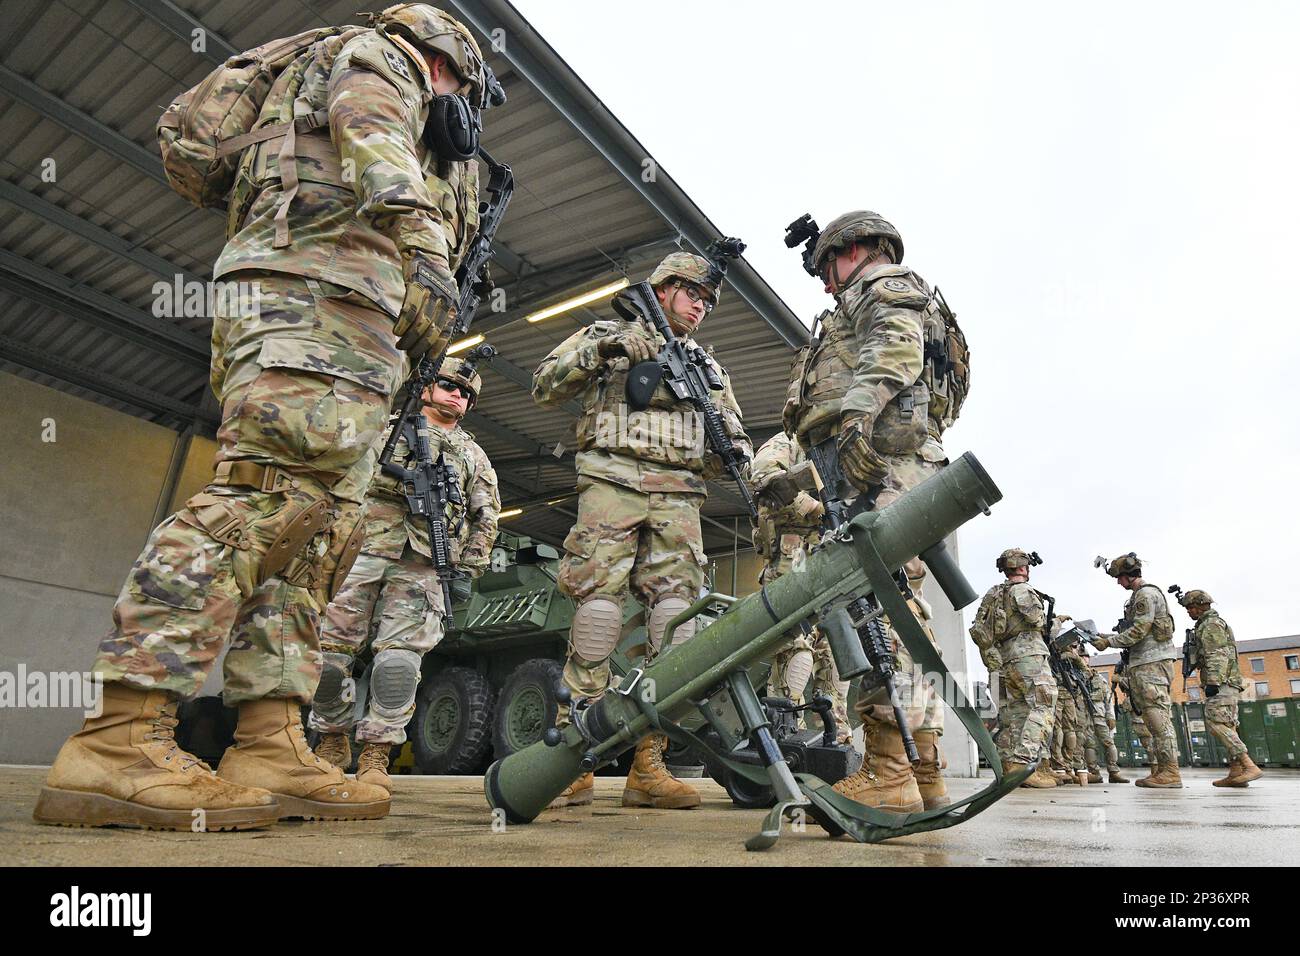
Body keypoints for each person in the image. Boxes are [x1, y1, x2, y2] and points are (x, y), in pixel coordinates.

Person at [34, 3, 488, 830]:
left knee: (320, 533)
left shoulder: (399, 84)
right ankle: (119, 738)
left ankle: (270, 738)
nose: (463, 106)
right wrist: (425, 247)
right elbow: (370, 127)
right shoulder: (379, 56)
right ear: (446, 60)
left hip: (360, 321)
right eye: (467, 85)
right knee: (264, 493)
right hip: (309, 297)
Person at [532, 252, 751, 809]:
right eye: (692, 294)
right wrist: (605, 350)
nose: (700, 306)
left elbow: (734, 445)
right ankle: (572, 760)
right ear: (664, 288)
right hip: (612, 481)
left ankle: (648, 764)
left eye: (706, 301)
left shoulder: (708, 369)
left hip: (679, 498)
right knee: (598, 614)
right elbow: (545, 385)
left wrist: (738, 457)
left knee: (676, 627)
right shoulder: (609, 332)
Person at [784, 210, 969, 811]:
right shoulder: (895, 291)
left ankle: (890, 770)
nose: (826, 283)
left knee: (871, 608)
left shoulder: (880, 286)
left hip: (873, 464)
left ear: (856, 248)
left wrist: (857, 421)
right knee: (900, 610)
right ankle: (925, 771)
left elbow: (894, 349)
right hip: (887, 465)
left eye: (826, 268)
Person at [308, 357, 499, 793]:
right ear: (427, 385)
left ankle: (377, 751)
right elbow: (339, 480)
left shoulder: (473, 455)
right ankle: (331, 740)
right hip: (361, 549)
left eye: (467, 393)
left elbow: (485, 515)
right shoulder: (384, 428)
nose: (458, 395)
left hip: (424, 563)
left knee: (398, 662)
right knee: (329, 657)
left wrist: (467, 567)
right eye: (450, 385)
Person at [749, 432, 851, 743]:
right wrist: (813, 506)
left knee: (836, 650)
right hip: (796, 560)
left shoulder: (848, 442)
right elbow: (762, 476)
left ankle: (837, 738)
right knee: (795, 647)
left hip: (836, 557)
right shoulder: (788, 442)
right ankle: (786, 734)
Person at [969, 549, 1058, 789]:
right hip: (1028, 656)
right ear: (1023, 568)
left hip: (1004, 659)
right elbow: (1037, 622)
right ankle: (1023, 763)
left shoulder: (994, 594)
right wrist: (1056, 622)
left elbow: (979, 629)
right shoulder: (1023, 590)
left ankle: (1011, 766)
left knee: (1016, 713)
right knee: (1042, 704)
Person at [1093, 553, 1182, 788]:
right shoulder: (1140, 596)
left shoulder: (1145, 595)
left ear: (1127, 575)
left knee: (1157, 716)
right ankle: (1163, 769)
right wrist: (1106, 637)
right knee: (1153, 718)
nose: (1117, 582)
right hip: (1145, 661)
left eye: (1119, 577)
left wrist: (1109, 643)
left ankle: (1171, 772)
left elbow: (1140, 630)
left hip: (1151, 662)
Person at [1178, 590, 1263, 787]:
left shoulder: (1211, 625)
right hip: (1229, 682)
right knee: (1228, 725)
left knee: (1216, 723)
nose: (1189, 612)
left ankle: (1249, 765)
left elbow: (1217, 654)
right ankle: (1236, 772)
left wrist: (1213, 682)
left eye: (1190, 607)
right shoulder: (1210, 624)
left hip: (1222, 683)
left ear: (1200, 606)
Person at [1077, 649, 1128, 783]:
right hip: (1083, 715)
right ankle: (1094, 773)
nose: (1084, 658)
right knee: (1089, 745)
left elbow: (1108, 699)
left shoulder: (1099, 678)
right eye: (1081, 656)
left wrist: (1111, 716)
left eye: (1086, 656)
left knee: (1109, 743)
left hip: (1100, 715)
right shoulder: (1074, 676)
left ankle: (1114, 772)